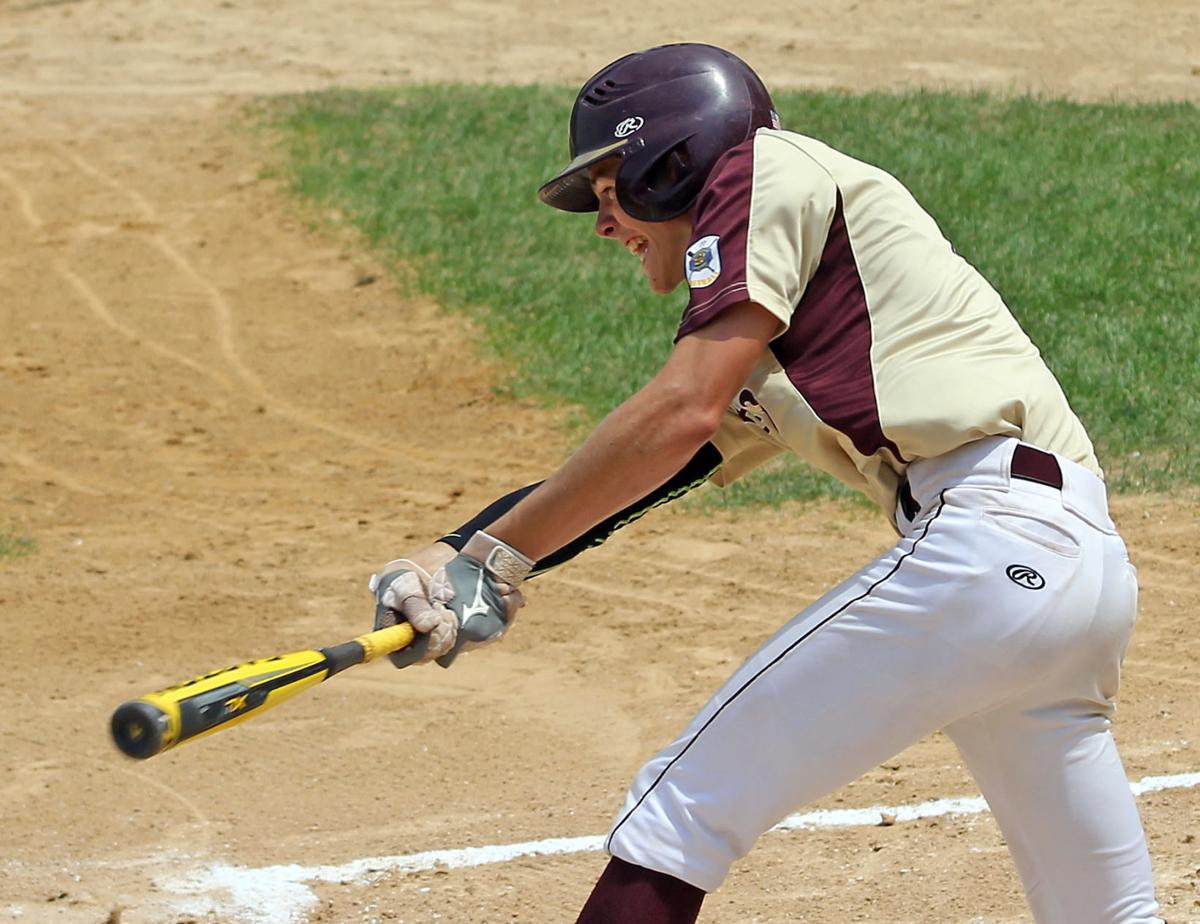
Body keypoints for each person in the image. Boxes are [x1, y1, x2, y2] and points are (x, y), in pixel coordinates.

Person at [369, 43, 1161, 923]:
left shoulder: (761, 169)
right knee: (1104, 912)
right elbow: (651, 466)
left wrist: (498, 557)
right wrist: (452, 556)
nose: (603, 226)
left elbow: (681, 411)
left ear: (672, 163)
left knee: (682, 810)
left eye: (608, 190)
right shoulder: (792, 343)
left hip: (990, 548)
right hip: (1074, 576)